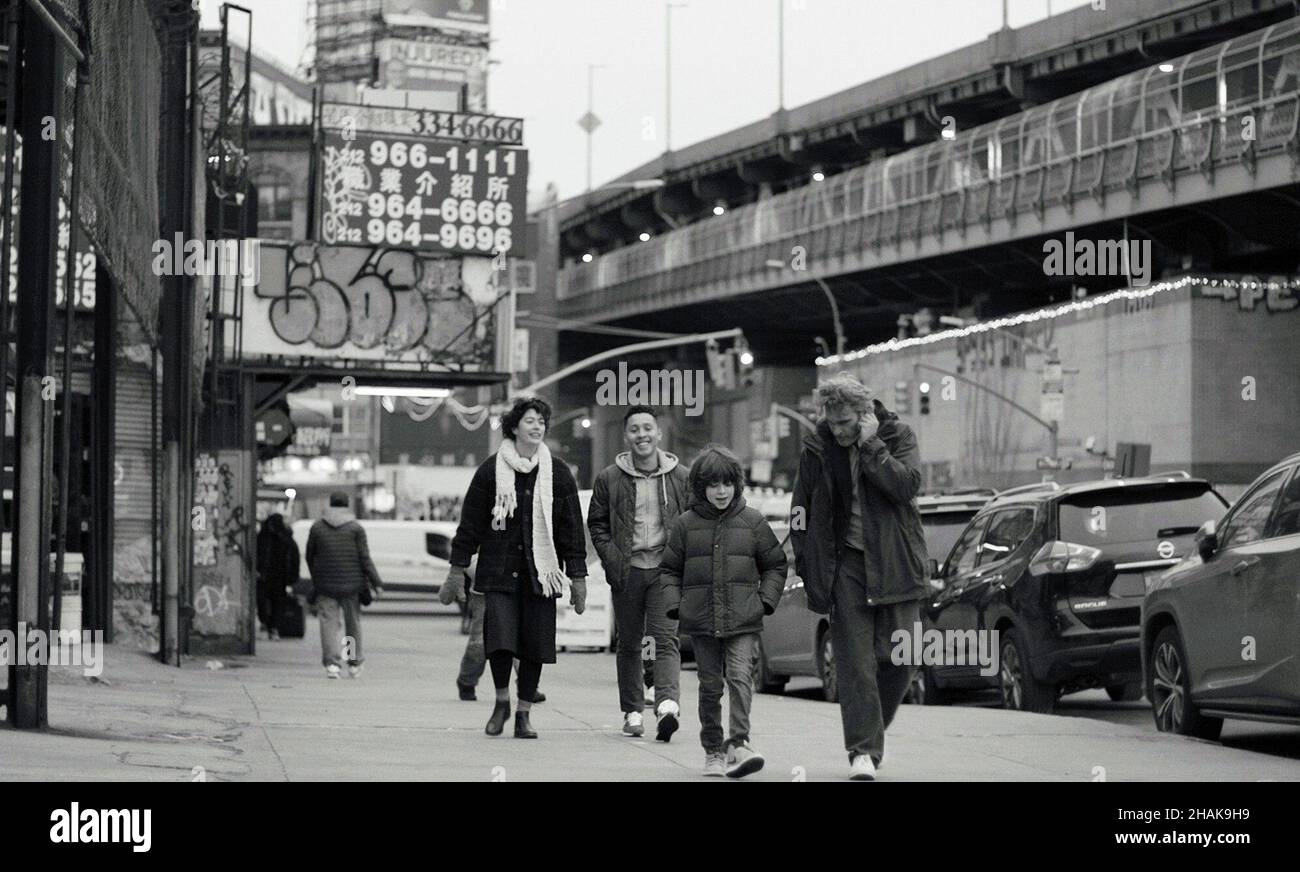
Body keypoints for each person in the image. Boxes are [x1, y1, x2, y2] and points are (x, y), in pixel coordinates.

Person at [789, 373, 928, 781]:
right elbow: (801, 508)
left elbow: (906, 487)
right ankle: (862, 751)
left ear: (865, 415)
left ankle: (870, 730)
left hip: (894, 561)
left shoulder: (897, 435)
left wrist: (872, 446)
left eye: (847, 422)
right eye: (833, 422)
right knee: (855, 665)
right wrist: (804, 559)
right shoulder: (818, 447)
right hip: (844, 566)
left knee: (901, 659)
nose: (839, 430)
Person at [441, 397, 587, 739]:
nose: (537, 427)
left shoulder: (559, 474)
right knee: (501, 642)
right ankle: (502, 702)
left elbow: (571, 529)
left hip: (541, 575)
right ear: (514, 426)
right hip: (499, 572)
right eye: (530, 421)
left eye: (541, 422)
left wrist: (578, 576)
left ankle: (523, 714)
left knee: (535, 645)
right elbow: (471, 524)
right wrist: (456, 568)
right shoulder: (492, 470)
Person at [660, 445, 786, 778]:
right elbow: (669, 570)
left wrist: (765, 601)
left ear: (736, 485)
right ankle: (714, 750)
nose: (721, 491)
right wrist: (676, 605)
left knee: (741, 677)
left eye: (727, 484)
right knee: (710, 685)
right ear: (701, 487)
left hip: (743, 620)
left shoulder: (753, 522)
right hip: (701, 621)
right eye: (713, 485)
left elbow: (775, 564)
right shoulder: (685, 525)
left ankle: (739, 742)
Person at [588, 404, 691, 741]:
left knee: (664, 639)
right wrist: (611, 556)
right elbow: (598, 524)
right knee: (631, 643)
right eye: (635, 429)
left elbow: (693, 520)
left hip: (665, 572)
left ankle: (667, 705)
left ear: (659, 433)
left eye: (648, 428)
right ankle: (632, 710)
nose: (642, 435)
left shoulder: (681, 477)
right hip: (628, 570)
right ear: (626, 436)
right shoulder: (608, 478)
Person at [444, 557, 546, 704]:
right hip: (485, 591)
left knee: (520, 639)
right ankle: (467, 681)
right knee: (480, 642)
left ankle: (528, 686)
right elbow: (465, 550)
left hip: (516, 587)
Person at [305, 492, 383, 678]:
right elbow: (364, 558)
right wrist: (376, 582)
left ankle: (332, 664)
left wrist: (317, 576)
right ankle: (353, 663)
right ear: (347, 505)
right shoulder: (356, 528)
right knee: (352, 625)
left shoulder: (317, 528)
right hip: (352, 586)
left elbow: (310, 556)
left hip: (325, 585)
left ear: (330, 505)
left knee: (328, 625)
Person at [256, 513, 299, 640]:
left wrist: (292, 577)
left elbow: (293, 559)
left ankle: (271, 626)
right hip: (273, 576)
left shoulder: (266, 537)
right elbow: (294, 558)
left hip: (275, 577)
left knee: (271, 602)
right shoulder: (283, 538)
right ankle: (269, 624)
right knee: (270, 603)